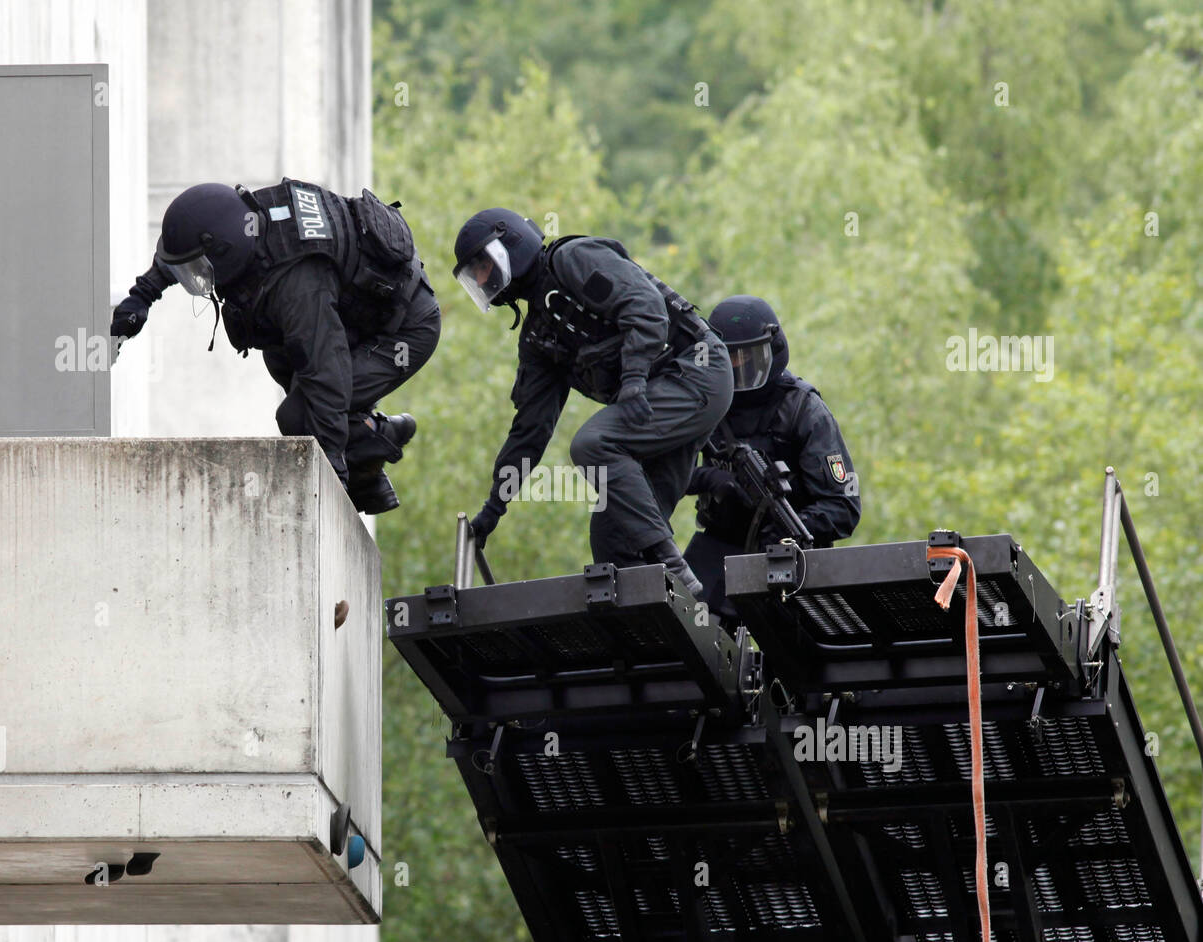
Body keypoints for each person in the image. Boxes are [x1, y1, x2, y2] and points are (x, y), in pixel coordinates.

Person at [110, 180, 440, 514]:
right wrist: (142, 297)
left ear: (223, 250)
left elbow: (326, 377)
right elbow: (183, 245)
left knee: (297, 416)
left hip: (405, 330)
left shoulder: (297, 286)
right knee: (279, 351)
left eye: (197, 269)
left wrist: (331, 483)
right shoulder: (244, 222)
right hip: (353, 312)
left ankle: (378, 437)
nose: (194, 278)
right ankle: (369, 468)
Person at [454, 209, 733, 594]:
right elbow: (530, 432)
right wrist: (493, 508)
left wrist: (633, 378)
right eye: (476, 274)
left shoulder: (572, 259)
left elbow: (646, 307)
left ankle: (674, 566)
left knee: (592, 444)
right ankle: (680, 628)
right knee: (613, 539)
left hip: (698, 372)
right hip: (659, 405)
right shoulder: (539, 338)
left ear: (509, 244)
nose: (482, 280)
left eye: (482, 265)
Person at [684, 295, 860, 623]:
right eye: (730, 359)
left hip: (793, 554)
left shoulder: (803, 410)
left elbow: (844, 508)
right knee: (687, 628)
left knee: (796, 647)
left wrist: (787, 532)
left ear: (773, 349)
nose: (740, 370)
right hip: (722, 545)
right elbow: (653, 473)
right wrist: (706, 479)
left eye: (749, 359)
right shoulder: (707, 403)